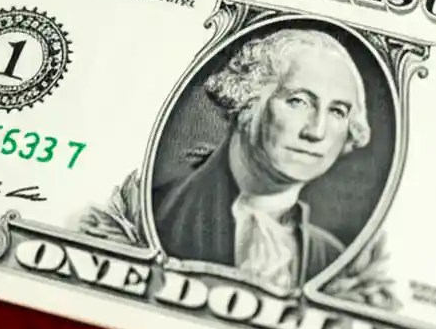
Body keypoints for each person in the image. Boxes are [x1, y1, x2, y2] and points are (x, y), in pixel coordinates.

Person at [152, 28, 371, 290]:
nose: (316, 131)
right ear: (248, 100)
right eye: (298, 101)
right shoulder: (156, 212)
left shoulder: (334, 261)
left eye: (337, 111)